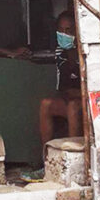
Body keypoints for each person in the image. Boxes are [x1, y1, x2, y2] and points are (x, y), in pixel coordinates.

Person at [24, 11, 82, 182]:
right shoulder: (61, 52)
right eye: (61, 29)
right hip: (73, 97)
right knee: (46, 104)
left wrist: (78, 94)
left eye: (68, 30)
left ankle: (72, 163)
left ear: (76, 31)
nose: (64, 34)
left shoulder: (85, 50)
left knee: (73, 106)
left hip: (91, 101)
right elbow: (64, 88)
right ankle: (46, 164)